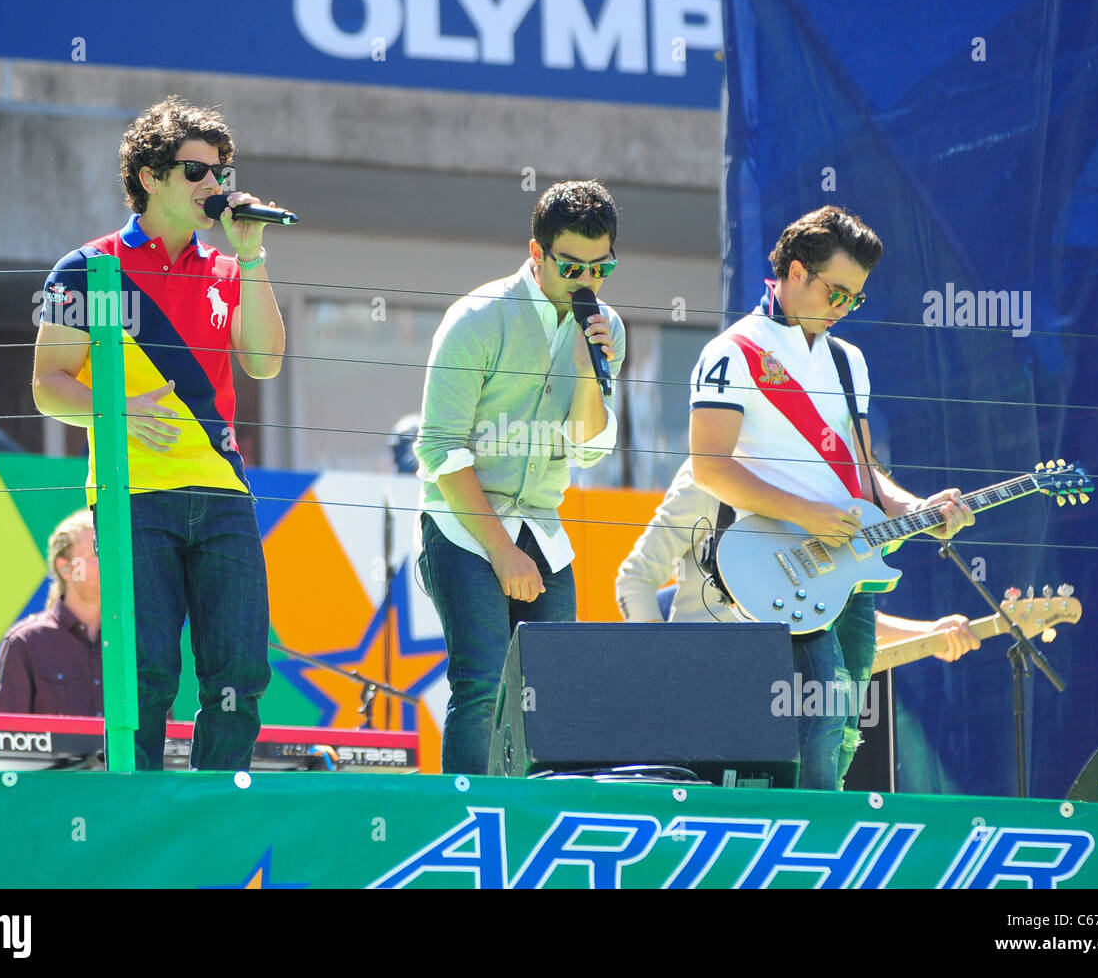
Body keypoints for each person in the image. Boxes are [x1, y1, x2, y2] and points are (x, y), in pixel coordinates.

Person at [32, 96, 286, 771]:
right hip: (133, 491)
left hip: (224, 490)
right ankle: (136, 823)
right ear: (150, 176)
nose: (217, 186)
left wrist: (253, 257)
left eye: (224, 172)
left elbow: (265, 361)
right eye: (199, 171)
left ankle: (214, 816)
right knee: (145, 674)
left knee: (239, 673)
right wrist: (113, 410)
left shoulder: (230, 268)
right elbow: (46, 384)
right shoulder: (84, 267)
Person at [688, 206, 974, 790]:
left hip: (846, 570)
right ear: (795, 272)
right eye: (835, 292)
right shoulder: (733, 350)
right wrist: (808, 515)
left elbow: (867, 477)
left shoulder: (850, 361)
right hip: (776, 564)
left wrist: (917, 510)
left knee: (843, 730)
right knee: (819, 722)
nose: (843, 309)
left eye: (855, 299)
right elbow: (709, 468)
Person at [414, 179, 626, 774]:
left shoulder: (606, 328)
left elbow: (587, 451)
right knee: (482, 685)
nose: (586, 280)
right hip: (462, 525)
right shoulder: (478, 319)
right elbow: (439, 451)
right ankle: (462, 836)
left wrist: (588, 368)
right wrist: (503, 551)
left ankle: (536, 841)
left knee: (552, 697)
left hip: (543, 526)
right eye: (570, 265)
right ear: (536, 254)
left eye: (601, 267)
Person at [614, 459, 982, 660]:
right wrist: (658, 665)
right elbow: (637, 577)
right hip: (704, 676)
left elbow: (841, 617)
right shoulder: (706, 476)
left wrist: (929, 634)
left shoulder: (816, 482)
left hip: (792, 691)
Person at [0, 510, 104, 715]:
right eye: (95, 553)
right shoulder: (24, 643)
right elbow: (4, 738)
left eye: (111, 552)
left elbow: (163, 738)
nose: (108, 562)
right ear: (65, 568)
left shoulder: (133, 644)